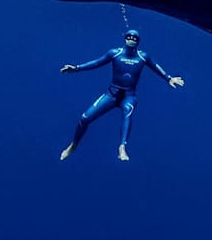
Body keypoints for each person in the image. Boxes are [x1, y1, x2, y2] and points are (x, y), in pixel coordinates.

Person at [59, 30, 184, 162]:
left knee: (127, 112)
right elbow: (96, 62)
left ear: (138, 41)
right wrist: (77, 68)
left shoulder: (143, 57)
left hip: (129, 97)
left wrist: (169, 78)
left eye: (134, 38)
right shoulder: (115, 53)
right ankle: (73, 145)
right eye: (129, 37)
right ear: (124, 39)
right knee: (84, 118)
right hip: (111, 95)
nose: (131, 39)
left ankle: (122, 147)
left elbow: (155, 66)